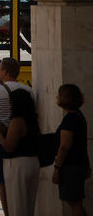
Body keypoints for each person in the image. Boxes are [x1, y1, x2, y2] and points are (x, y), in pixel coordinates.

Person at [0, 57, 32, 216]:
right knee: (17, 183)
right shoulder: (27, 90)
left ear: (4, 72)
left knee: (2, 183)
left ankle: (8, 213)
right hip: (21, 140)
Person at [0, 89, 40, 216]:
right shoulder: (32, 120)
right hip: (32, 162)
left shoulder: (17, 121)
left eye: (10, 103)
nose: (9, 106)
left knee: (17, 205)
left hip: (18, 165)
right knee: (29, 205)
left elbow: (8, 146)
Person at [52, 84, 90, 216]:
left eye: (58, 94)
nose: (56, 97)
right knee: (75, 202)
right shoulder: (78, 116)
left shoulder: (70, 119)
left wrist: (57, 168)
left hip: (70, 167)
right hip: (78, 164)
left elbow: (64, 146)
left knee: (74, 203)